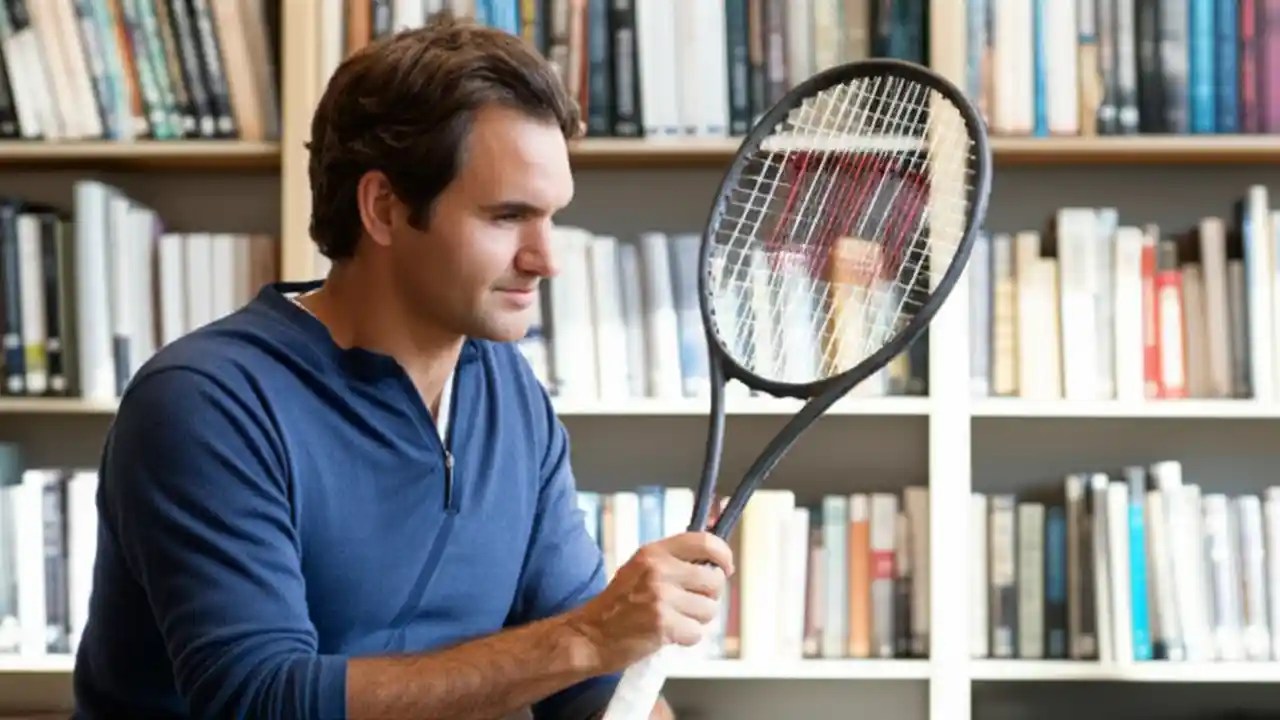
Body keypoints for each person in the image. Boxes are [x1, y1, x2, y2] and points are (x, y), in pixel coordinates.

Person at [71, 13, 734, 720]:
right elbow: (258, 700)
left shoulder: (512, 398)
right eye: (508, 216)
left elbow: (588, 687)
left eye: (552, 217)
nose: (548, 259)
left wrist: (605, 654)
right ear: (384, 208)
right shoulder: (207, 404)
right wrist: (588, 637)